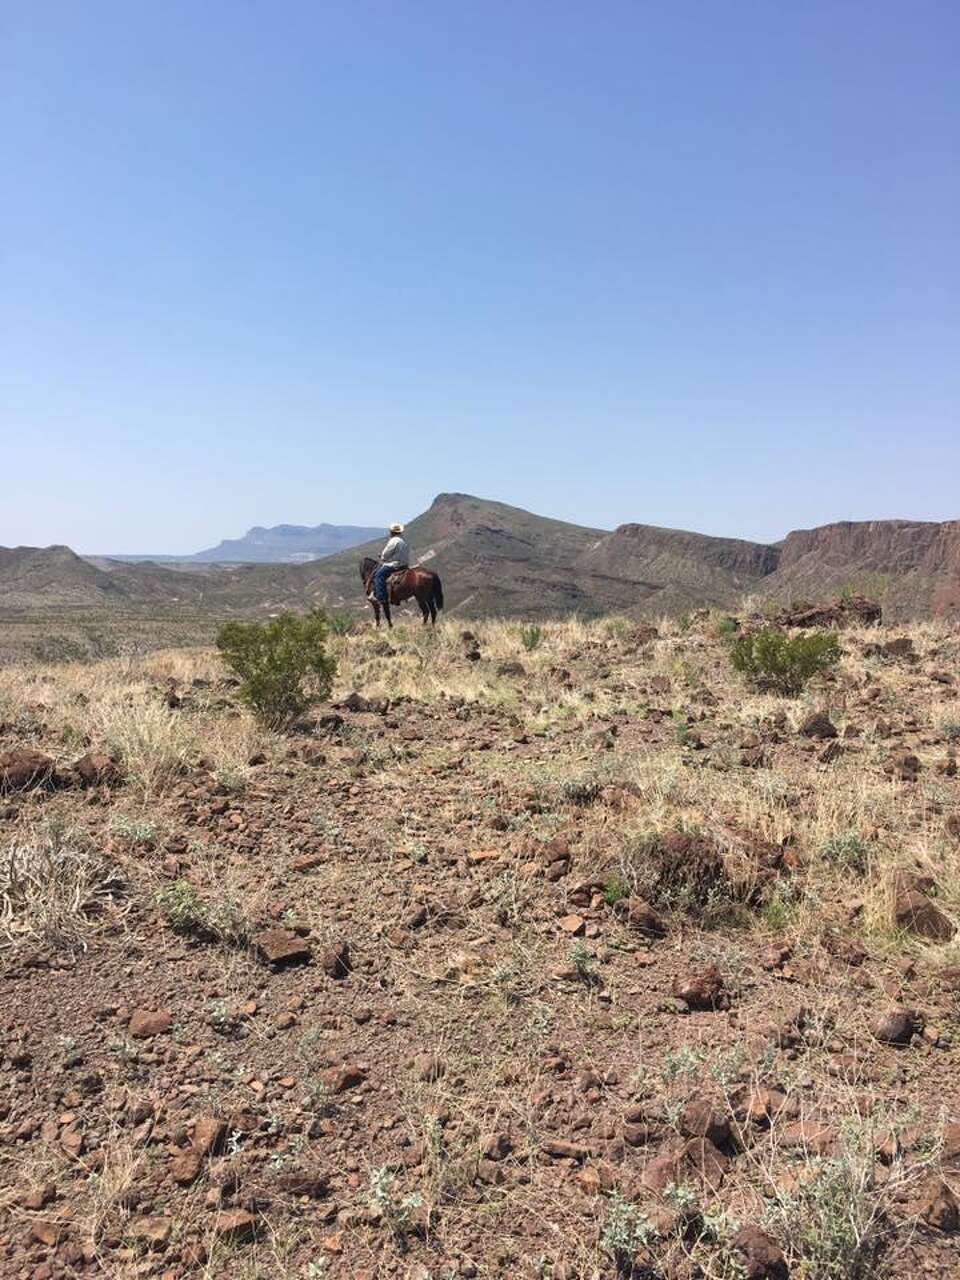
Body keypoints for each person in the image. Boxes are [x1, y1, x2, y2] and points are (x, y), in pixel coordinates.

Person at [370, 523, 410, 603]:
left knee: (378, 575)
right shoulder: (404, 540)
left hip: (395, 565)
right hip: (404, 564)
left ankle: (380, 597)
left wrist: (382, 557)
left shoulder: (393, 541)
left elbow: (385, 554)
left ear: (392, 532)